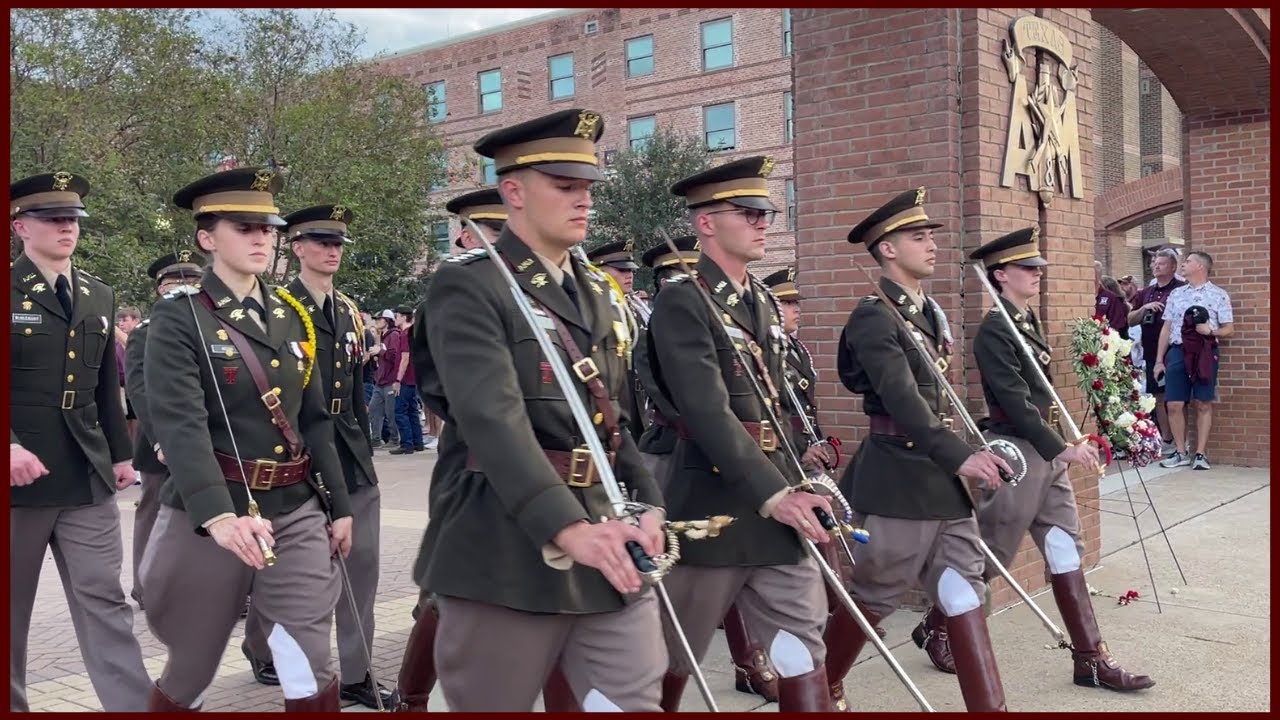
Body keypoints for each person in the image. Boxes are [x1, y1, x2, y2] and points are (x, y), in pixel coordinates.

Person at [402, 108, 668, 712]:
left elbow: (612, 417)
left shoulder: (598, 289)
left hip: (606, 532)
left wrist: (648, 496)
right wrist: (567, 526)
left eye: (588, 188)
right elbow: (490, 419)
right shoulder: (471, 284)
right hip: (503, 542)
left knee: (631, 699)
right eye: (565, 186)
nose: (584, 202)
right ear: (514, 191)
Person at [140, 167, 353, 711]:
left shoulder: (290, 314)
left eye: (268, 228)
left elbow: (316, 419)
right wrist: (217, 516)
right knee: (193, 662)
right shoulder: (178, 317)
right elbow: (179, 423)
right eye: (244, 227)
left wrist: (340, 504)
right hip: (221, 511)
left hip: (296, 506)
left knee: (307, 653)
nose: (262, 238)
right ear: (207, 238)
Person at [910, 226, 1155, 692]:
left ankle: (1090, 659)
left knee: (1065, 547)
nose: (1037, 274)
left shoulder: (1025, 321)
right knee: (992, 554)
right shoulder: (995, 330)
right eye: (1028, 268)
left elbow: (1042, 396)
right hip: (1017, 450)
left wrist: (1060, 444)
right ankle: (937, 624)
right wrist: (1060, 447)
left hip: (1046, 450)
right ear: (1001, 275)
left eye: (1038, 267)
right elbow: (1016, 401)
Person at [647, 156, 836, 712]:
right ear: (706, 223)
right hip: (714, 506)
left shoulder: (762, 299)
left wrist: (802, 478)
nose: (763, 222)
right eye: (750, 212)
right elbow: (706, 411)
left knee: (803, 640)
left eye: (767, 212)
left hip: (776, 502)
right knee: (670, 656)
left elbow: (780, 403)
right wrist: (775, 492)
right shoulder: (683, 299)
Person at [831, 187, 1011, 712]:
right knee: (877, 592)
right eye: (917, 236)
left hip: (942, 479)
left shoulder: (928, 311)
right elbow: (903, 401)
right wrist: (960, 455)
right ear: (887, 249)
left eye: (931, 234)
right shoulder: (874, 315)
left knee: (962, 589)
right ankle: (823, 683)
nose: (931, 244)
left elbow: (941, 399)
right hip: (901, 477)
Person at [9, 171, 153, 712]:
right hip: (18, 482)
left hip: (85, 475)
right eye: (53, 219)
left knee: (105, 599)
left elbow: (103, 386)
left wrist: (121, 454)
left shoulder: (98, 293)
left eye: (72, 219)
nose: (66, 227)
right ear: (21, 226)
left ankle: (134, 705)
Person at [240, 204, 390, 708]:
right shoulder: (279, 307)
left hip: (348, 447)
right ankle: (262, 648)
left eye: (338, 244)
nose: (332, 252)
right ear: (297, 247)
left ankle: (356, 672)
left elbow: (354, 385)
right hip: (297, 451)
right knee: (283, 566)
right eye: (321, 243)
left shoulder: (346, 309)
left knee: (363, 565)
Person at [127, 250, 206, 612]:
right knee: (155, 509)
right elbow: (140, 392)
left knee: (207, 511)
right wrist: (163, 440)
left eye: (193, 281)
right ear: (160, 289)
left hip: (206, 441)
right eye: (176, 283)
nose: (186, 288)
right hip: (161, 443)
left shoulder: (210, 327)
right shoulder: (146, 333)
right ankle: (146, 585)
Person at [1154, 250, 1233, 470]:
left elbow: (1229, 329)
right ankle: (1180, 452)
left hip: (1205, 351)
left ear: (1200, 267)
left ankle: (1200, 454)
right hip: (1178, 351)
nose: (1183, 264)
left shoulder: (1219, 295)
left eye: (1188, 261)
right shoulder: (1176, 295)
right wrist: (1159, 360)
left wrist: (1210, 331)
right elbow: (1167, 327)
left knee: (1203, 402)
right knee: (1174, 403)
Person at [633, 235, 700, 485]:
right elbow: (661, 394)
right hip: (670, 444)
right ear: (664, 282)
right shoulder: (649, 335)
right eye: (686, 277)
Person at [587, 239, 646, 443]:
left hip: (632, 396)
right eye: (621, 270)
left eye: (630, 270)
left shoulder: (627, 306)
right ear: (600, 270)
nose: (629, 275)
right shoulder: (599, 305)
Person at [1128, 247, 1185, 455]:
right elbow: (1129, 319)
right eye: (1154, 263)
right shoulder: (1145, 292)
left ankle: (1183, 439)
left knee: (1177, 397)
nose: (1155, 266)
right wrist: (1144, 308)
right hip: (1151, 351)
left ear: (1172, 267)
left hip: (1176, 350)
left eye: (1160, 263)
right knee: (1158, 396)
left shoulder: (1181, 288)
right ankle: (1167, 438)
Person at [389, 306, 427, 453]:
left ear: (404, 317)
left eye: (397, 316)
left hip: (405, 378)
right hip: (414, 377)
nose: (395, 319)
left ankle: (407, 444)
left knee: (400, 411)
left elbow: (405, 357)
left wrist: (398, 379)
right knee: (412, 411)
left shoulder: (405, 334)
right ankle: (418, 442)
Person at [367, 309, 401, 448]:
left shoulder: (393, 336)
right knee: (374, 409)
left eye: (379, 319)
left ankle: (394, 438)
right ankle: (376, 439)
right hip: (380, 380)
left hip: (389, 380)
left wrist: (379, 351)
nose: (376, 322)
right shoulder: (384, 336)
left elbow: (394, 357)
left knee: (390, 411)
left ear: (387, 320)